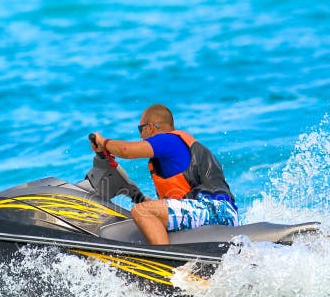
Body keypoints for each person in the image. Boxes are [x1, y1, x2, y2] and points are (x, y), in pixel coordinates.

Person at [90, 104, 238, 244]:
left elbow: (126, 151)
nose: (141, 135)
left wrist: (104, 142)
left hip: (215, 210)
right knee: (146, 208)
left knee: (142, 211)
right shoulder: (172, 152)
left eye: (140, 129)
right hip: (215, 211)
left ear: (150, 127)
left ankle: (165, 260)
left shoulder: (169, 140)